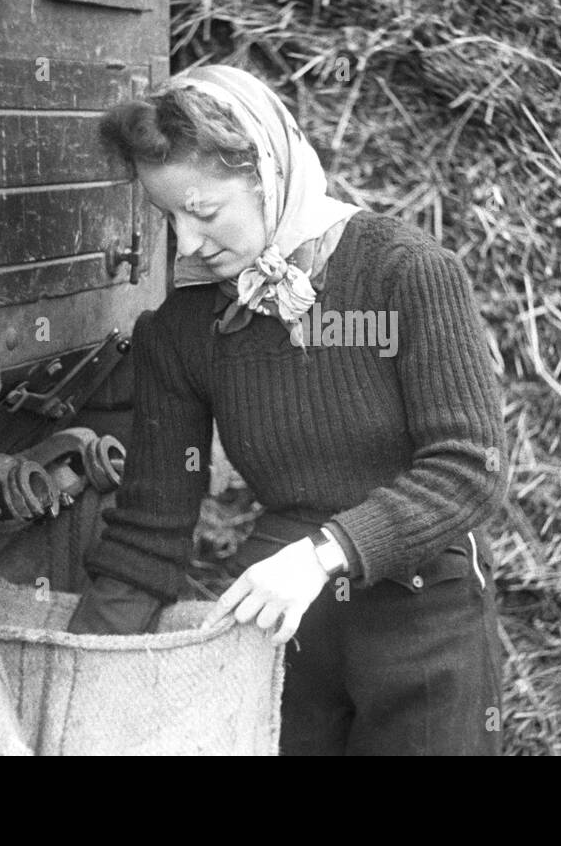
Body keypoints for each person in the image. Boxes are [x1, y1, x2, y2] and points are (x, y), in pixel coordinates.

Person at [66, 64, 508, 756]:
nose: (185, 244)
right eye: (168, 217)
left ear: (268, 175)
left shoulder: (405, 273)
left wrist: (323, 555)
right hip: (285, 635)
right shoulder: (183, 328)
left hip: (422, 613)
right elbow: (149, 531)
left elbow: (468, 470)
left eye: (204, 212)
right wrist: (76, 681)